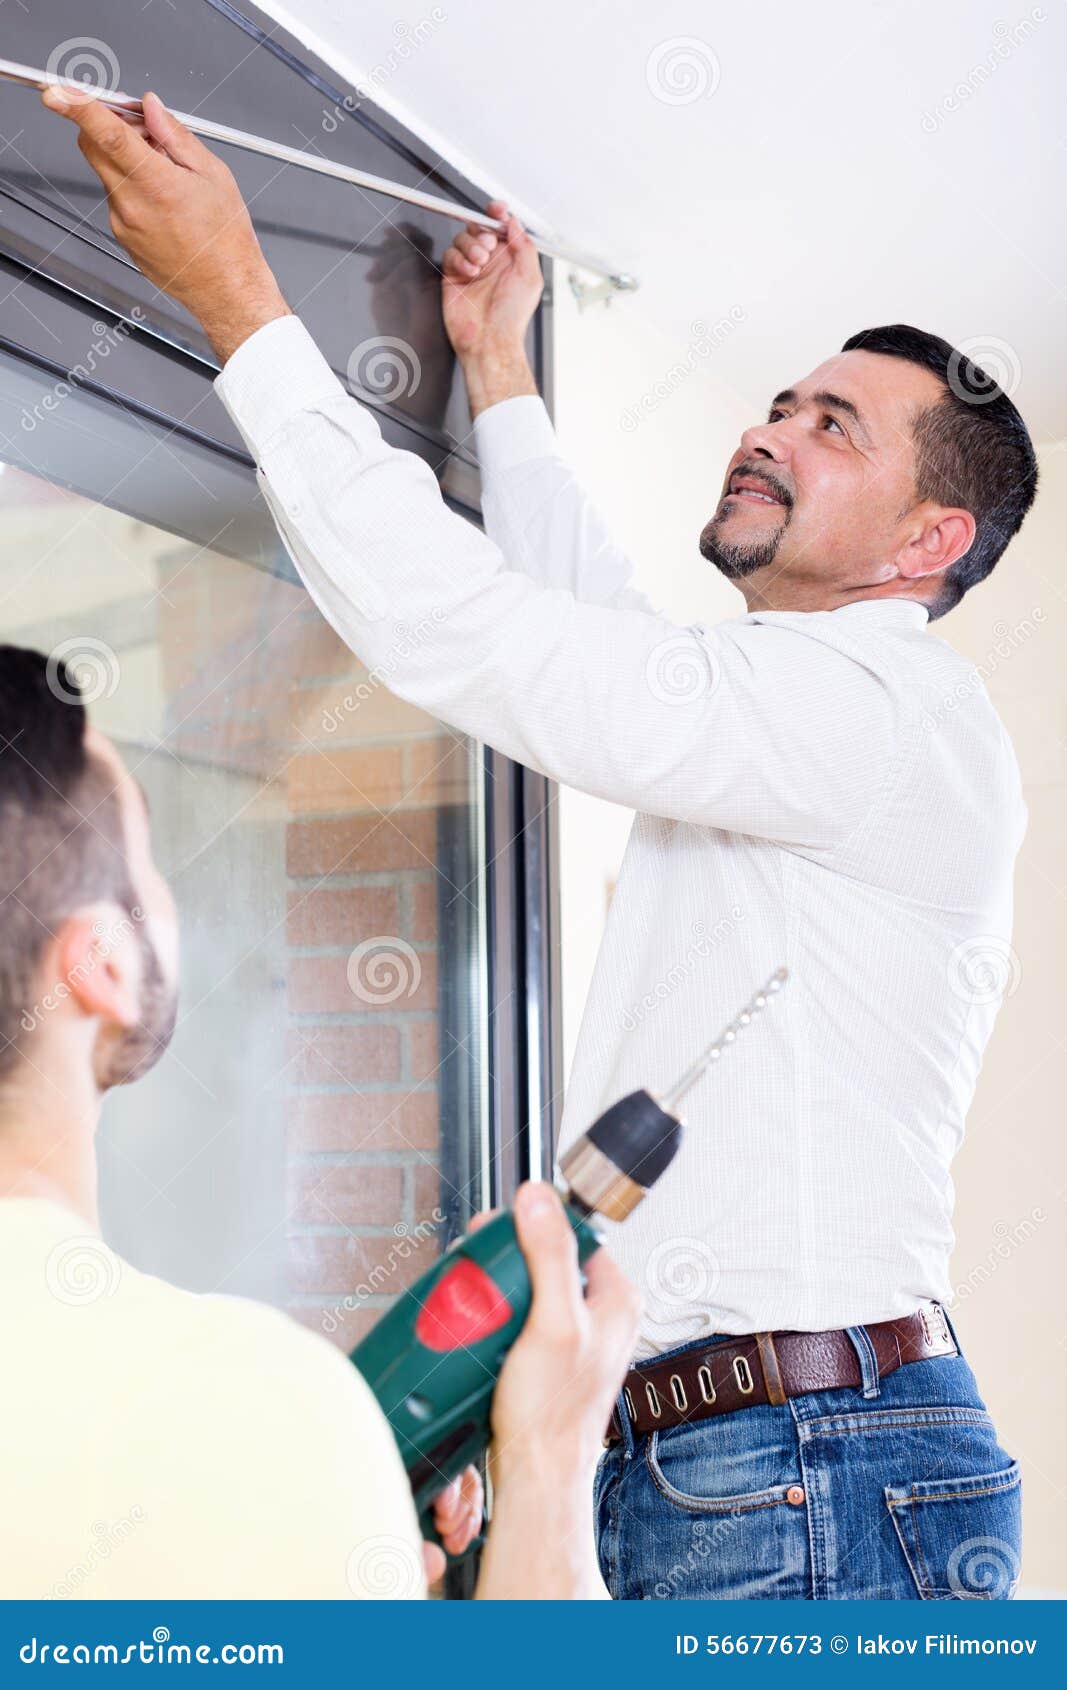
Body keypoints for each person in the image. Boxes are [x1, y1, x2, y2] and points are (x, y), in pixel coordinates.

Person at [41, 84, 1037, 1602]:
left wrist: (238, 297)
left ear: (924, 546)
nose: (766, 430)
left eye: (828, 427)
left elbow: (506, 654)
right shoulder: (786, 723)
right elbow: (588, 643)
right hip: (728, 1451)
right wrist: (498, 376)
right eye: (778, 400)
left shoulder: (885, 711)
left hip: (811, 1461)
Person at [0, 646, 639, 1599]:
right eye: (147, 856)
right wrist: (545, 1465)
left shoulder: (259, 1426)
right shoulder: (249, 1419)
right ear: (103, 964)